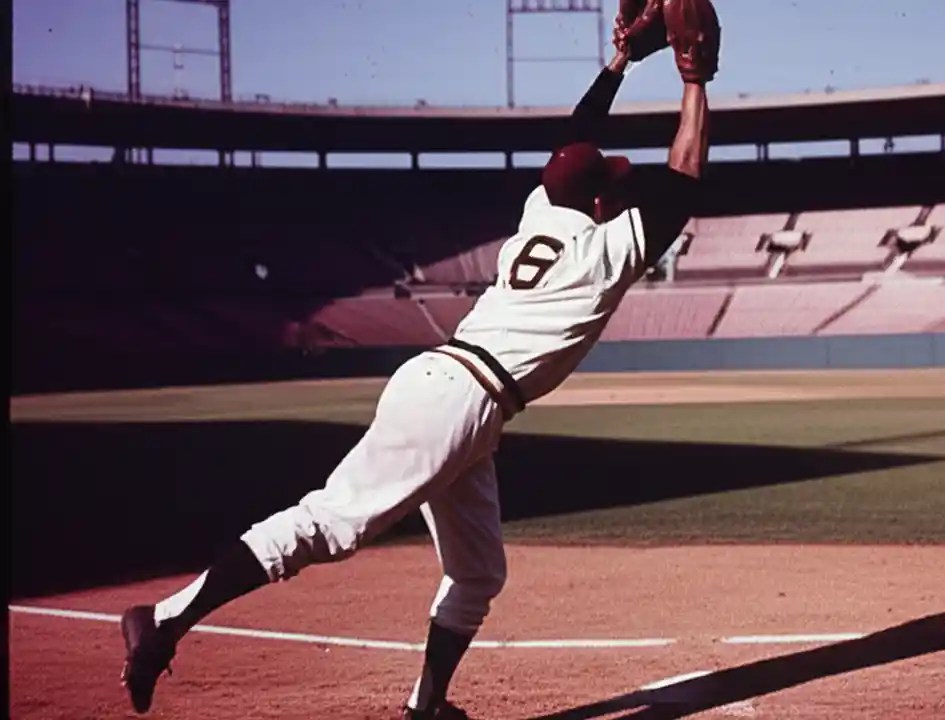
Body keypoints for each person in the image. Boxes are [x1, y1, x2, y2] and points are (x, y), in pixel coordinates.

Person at [118, 2, 719, 718]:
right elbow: (683, 172)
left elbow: (577, 138)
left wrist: (620, 61)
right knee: (328, 525)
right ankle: (164, 622)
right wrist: (694, 78)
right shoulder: (603, 251)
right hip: (460, 400)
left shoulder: (542, 215)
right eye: (615, 185)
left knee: (478, 574)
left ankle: (427, 708)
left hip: (457, 394)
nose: (624, 190)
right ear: (597, 200)